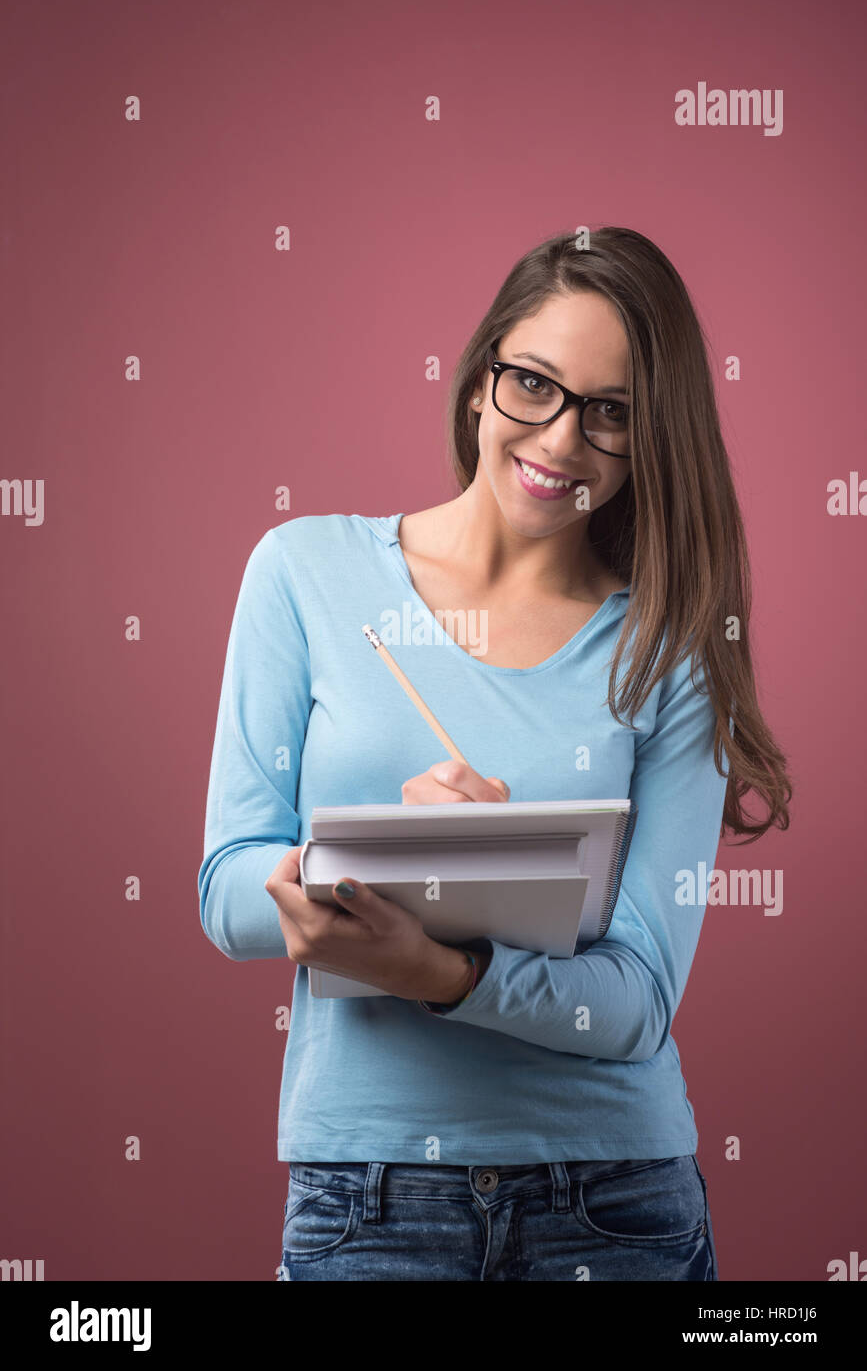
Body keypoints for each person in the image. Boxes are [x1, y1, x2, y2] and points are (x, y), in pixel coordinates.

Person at [197, 226, 791, 1282]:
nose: (561, 440)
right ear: (481, 381)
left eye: (611, 413)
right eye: (535, 385)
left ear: (653, 439)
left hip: (612, 1205)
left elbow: (639, 1000)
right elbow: (230, 896)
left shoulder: (672, 642)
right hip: (366, 1198)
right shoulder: (303, 572)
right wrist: (345, 872)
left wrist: (439, 969)